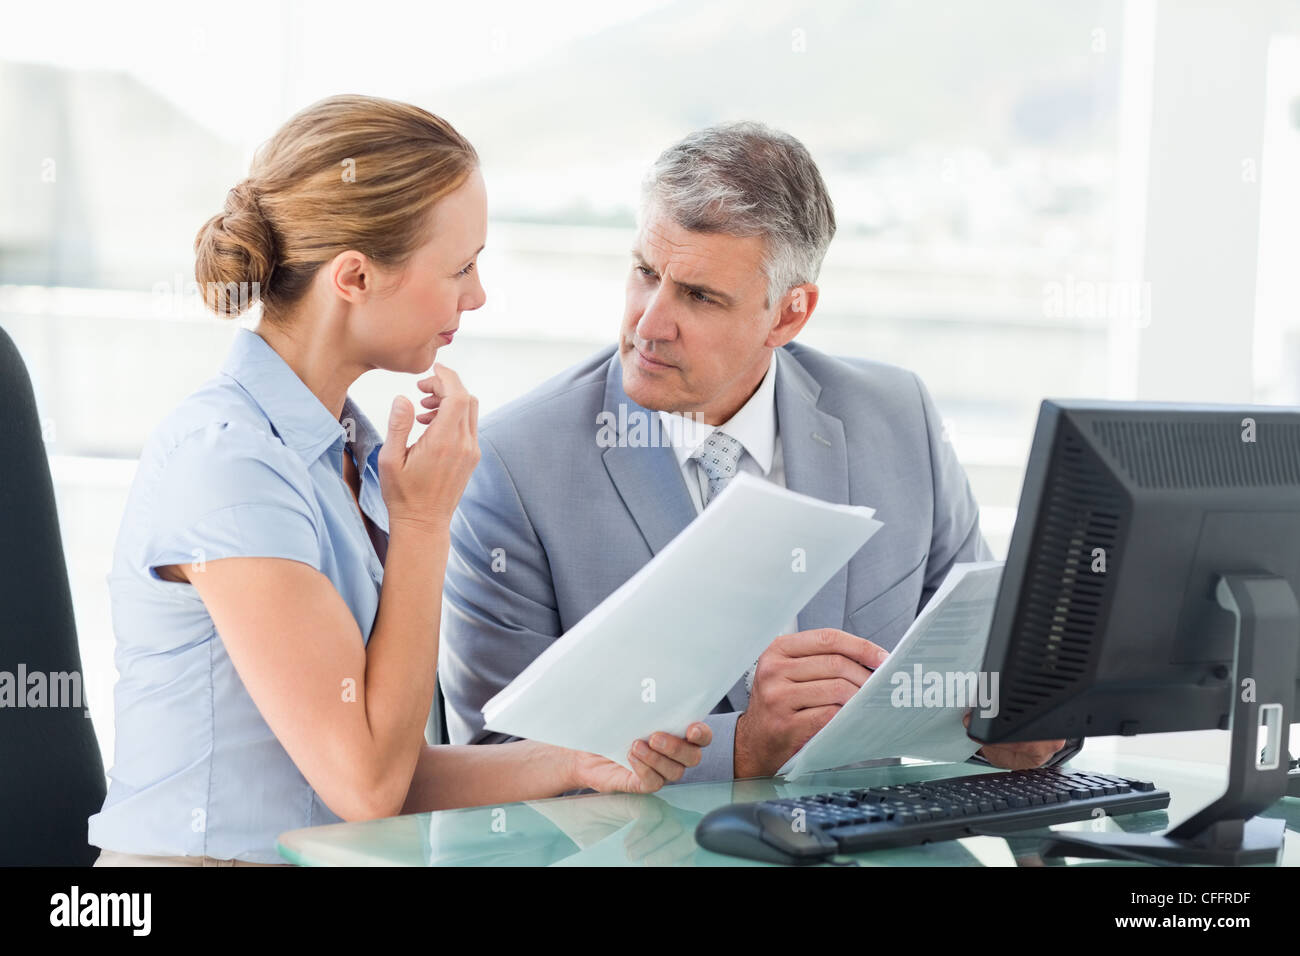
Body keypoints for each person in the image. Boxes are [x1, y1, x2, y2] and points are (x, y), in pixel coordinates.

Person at [88, 95, 710, 867]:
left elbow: (385, 768)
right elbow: (368, 786)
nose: (476, 295)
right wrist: (423, 525)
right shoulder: (230, 465)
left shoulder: (344, 454)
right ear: (353, 276)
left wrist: (572, 761)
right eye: (460, 267)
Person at [439, 122, 1078, 781]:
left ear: (789, 315)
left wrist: (1015, 726)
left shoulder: (897, 417)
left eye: (699, 296)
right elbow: (492, 760)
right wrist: (741, 748)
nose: (649, 325)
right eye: (645, 273)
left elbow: (983, 659)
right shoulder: (516, 464)